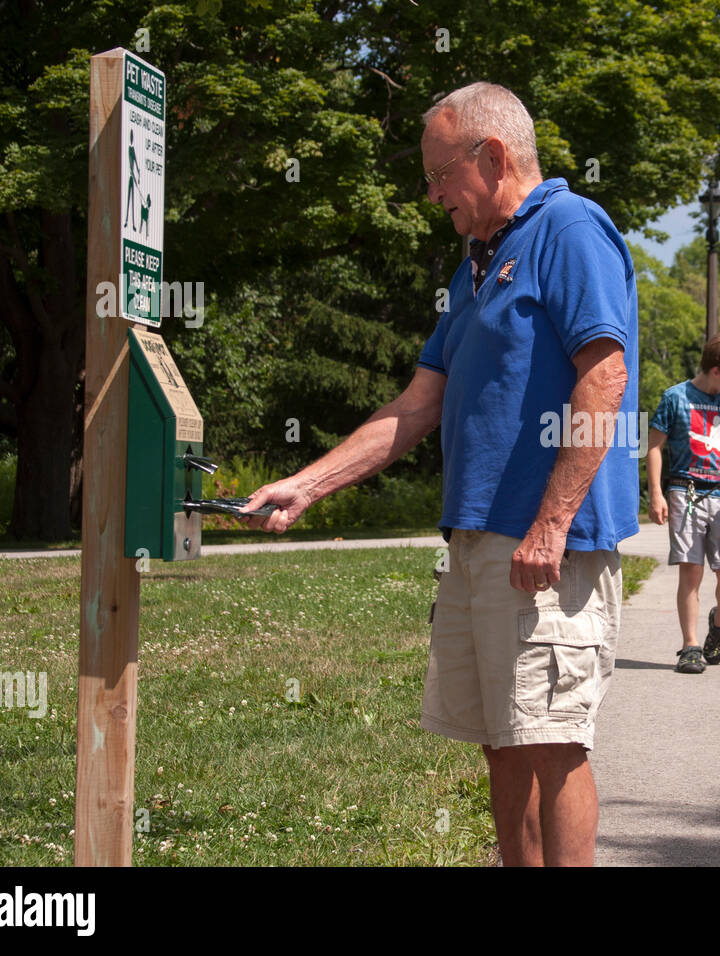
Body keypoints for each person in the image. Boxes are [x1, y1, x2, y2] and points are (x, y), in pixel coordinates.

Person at [240, 82, 639, 865]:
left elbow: (606, 376)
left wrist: (552, 524)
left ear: (492, 156)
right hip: (478, 542)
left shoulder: (569, 227)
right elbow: (418, 405)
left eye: (438, 174)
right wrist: (307, 485)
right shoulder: (476, 268)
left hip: (542, 544)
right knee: (501, 741)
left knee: (552, 743)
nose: (432, 195)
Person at [645, 334, 720, 674]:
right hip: (685, 493)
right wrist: (656, 494)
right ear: (717, 370)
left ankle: (719, 624)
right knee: (691, 573)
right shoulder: (675, 397)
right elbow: (652, 447)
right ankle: (690, 645)